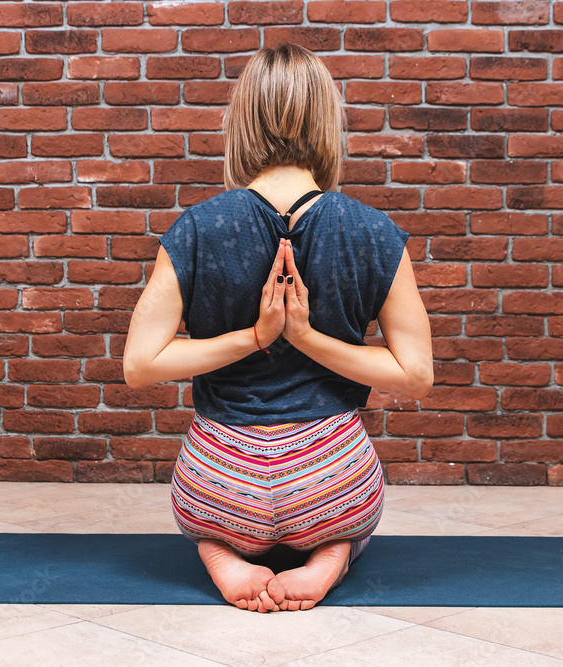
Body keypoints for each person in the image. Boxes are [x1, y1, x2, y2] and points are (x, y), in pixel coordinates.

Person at [122, 43, 433, 613]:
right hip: (331, 479)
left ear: (241, 123)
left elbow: (139, 367)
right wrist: (305, 336)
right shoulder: (374, 231)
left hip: (221, 481)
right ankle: (330, 557)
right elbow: (415, 376)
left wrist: (255, 337)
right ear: (326, 123)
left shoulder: (197, 228)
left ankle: (221, 554)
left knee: (206, 526)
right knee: (351, 528)